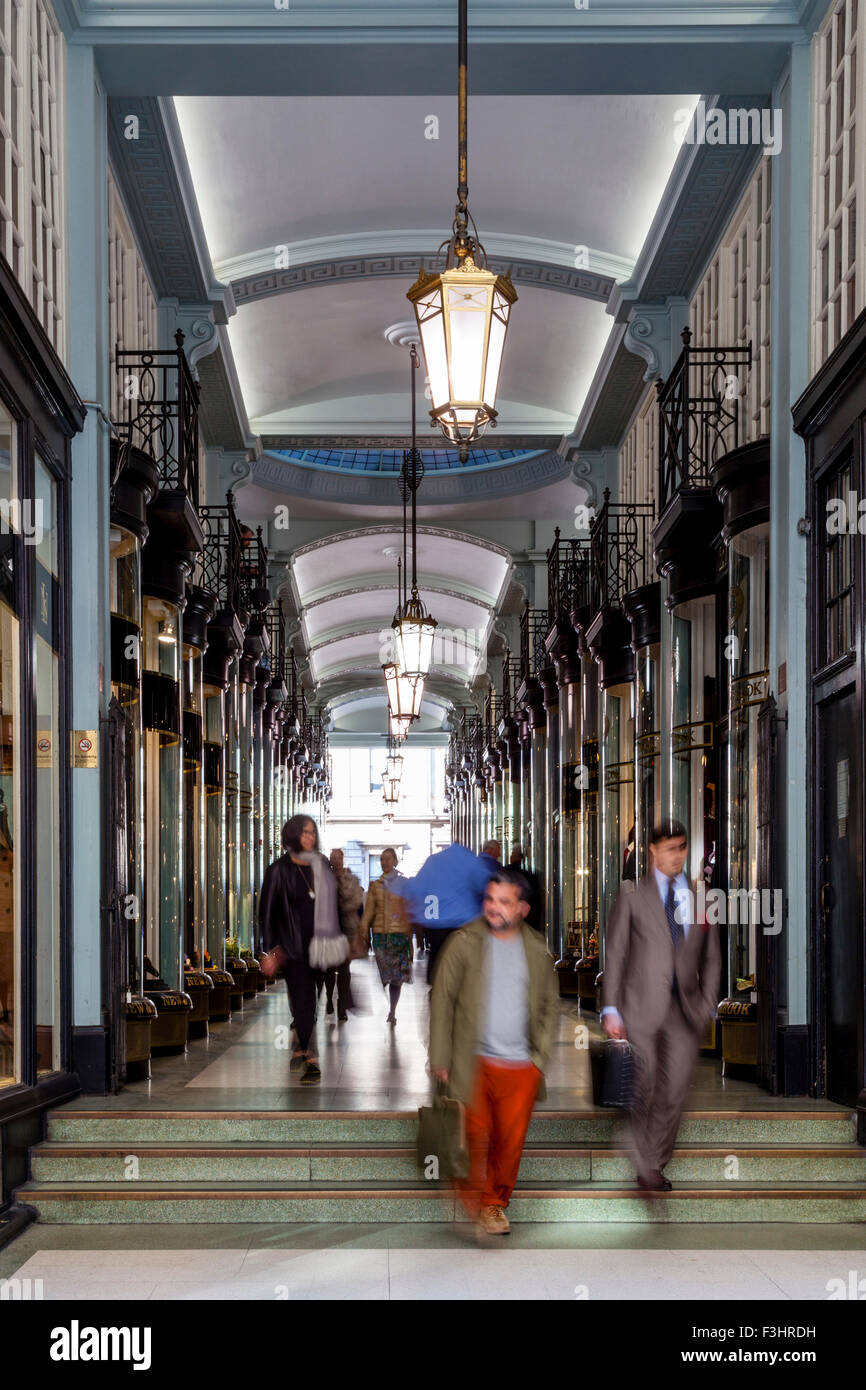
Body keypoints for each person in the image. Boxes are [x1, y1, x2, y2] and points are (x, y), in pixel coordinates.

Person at [429, 867, 559, 1237]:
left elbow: (549, 1006)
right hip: (473, 1060)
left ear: (523, 909)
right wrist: (440, 1056)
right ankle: (473, 1195)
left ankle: (494, 1204)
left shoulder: (537, 950)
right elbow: (443, 1001)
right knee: (474, 1133)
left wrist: (539, 1060)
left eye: (504, 901)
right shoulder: (464, 941)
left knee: (509, 1143)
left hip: (520, 1066)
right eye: (489, 898)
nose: (493, 907)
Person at [601, 818, 721, 1191]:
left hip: (685, 1010)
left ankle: (654, 1158)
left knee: (674, 1089)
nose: (678, 855)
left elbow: (713, 958)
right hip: (640, 1006)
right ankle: (647, 1167)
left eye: (682, 847)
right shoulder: (632, 896)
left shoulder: (702, 901)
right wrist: (610, 1008)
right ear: (652, 851)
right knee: (645, 1084)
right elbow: (617, 954)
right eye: (670, 848)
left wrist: (707, 1005)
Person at [259, 815, 349, 1086]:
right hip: (293, 948)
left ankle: (300, 1041)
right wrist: (269, 951)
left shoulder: (321, 864)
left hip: (322, 946)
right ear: (293, 835)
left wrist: (345, 939)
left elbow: (335, 903)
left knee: (312, 1000)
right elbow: (266, 914)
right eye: (305, 833)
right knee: (304, 999)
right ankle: (310, 1058)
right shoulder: (278, 871)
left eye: (313, 833)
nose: (310, 837)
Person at [406, 842, 496, 986]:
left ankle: (438, 999)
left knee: (438, 975)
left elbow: (416, 890)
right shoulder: (471, 861)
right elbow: (488, 887)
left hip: (437, 929)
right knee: (465, 976)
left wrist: (416, 915)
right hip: (465, 927)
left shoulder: (433, 862)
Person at [360, 848, 413, 1024]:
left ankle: (392, 1011)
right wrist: (363, 930)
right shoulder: (375, 886)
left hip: (399, 936)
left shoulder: (403, 883)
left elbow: (408, 910)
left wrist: (411, 938)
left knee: (396, 978)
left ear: (394, 861)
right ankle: (388, 995)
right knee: (385, 974)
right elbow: (369, 911)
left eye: (388, 859)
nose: (384, 862)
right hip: (380, 936)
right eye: (382, 860)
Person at [322, 848, 364, 1020]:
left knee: (344, 969)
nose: (336, 861)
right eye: (333, 858)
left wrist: (338, 903)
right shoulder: (324, 879)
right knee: (329, 969)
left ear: (343, 859)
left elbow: (356, 902)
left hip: (346, 929)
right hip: (329, 929)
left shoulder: (351, 880)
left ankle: (342, 1005)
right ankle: (329, 998)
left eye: (338, 857)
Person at [507, 845, 544, 934]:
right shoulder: (532, 876)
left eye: (512, 854)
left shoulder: (505, 873)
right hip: (528, 921)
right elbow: (537, 902)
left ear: (513, 856)